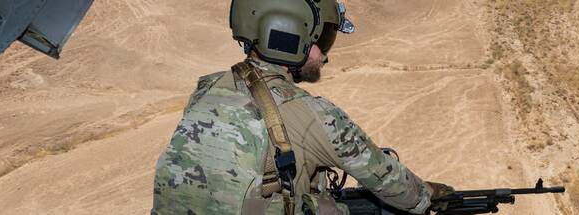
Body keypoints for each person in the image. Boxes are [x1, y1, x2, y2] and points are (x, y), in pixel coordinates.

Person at [151, 0, 454, 214]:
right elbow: (396, 187)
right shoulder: (314, 114)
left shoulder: (206, 89)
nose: (324, 54)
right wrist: (428, 195)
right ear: (289, 35)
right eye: (321, 39)